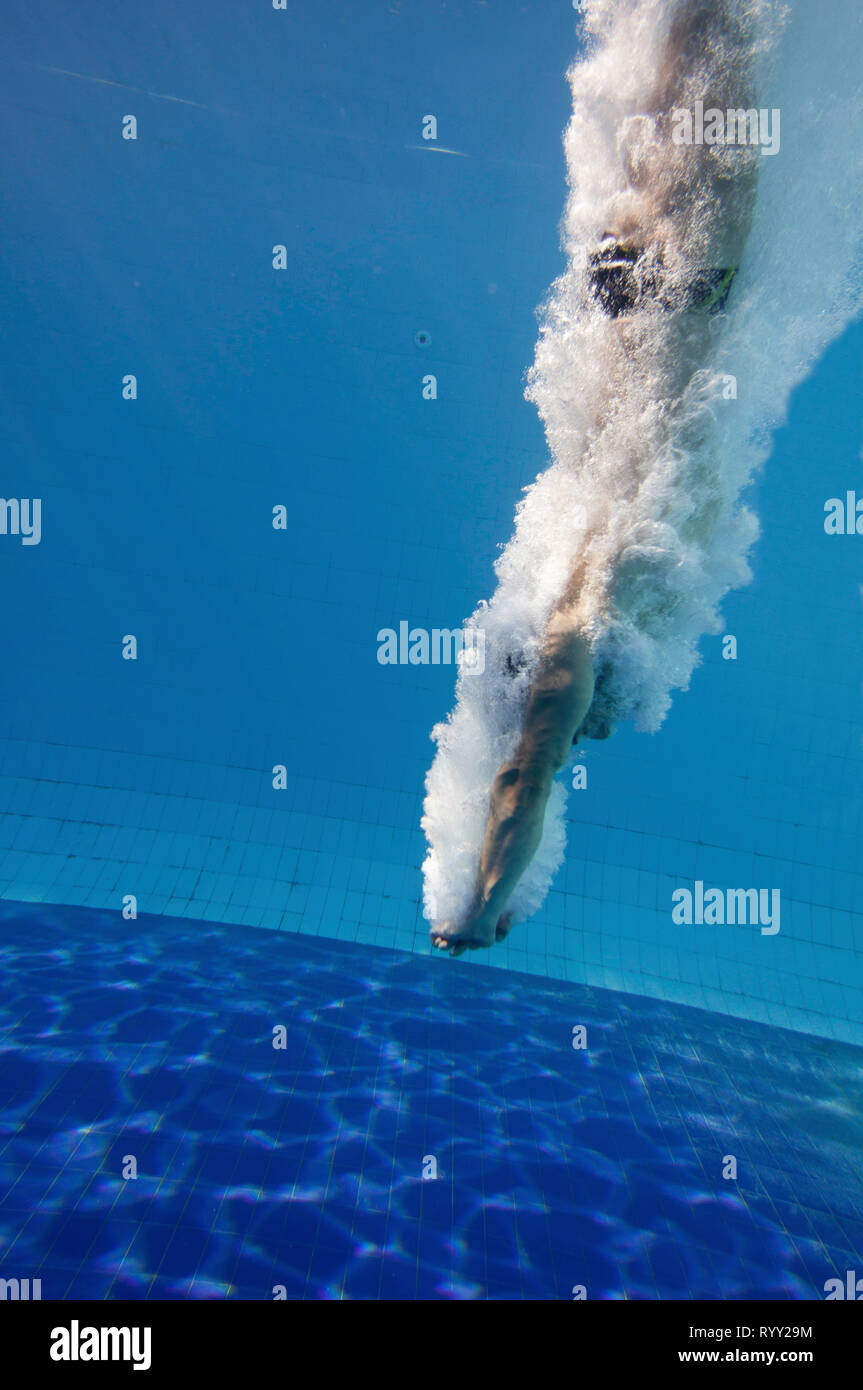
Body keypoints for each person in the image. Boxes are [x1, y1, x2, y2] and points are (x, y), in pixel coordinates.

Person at [432, 0, 759, 956]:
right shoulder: (569, 572)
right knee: (689, 79)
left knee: (722, 64)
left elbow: (521, 782)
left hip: (681, 304)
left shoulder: (576, 633)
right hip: (631, 306)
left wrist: (479, 911)